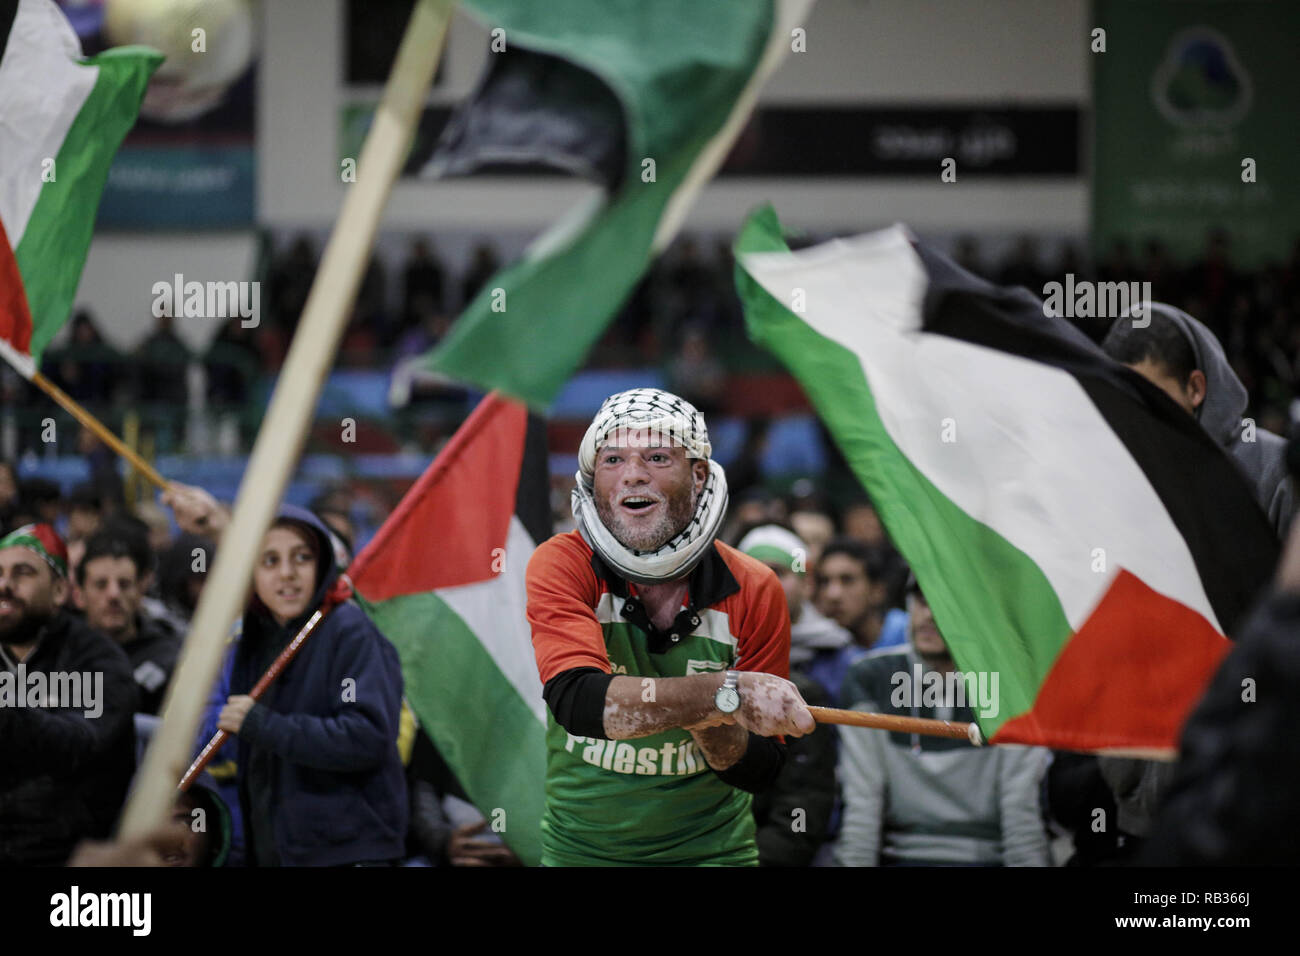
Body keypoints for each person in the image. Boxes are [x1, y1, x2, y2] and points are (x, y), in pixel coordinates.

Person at [526, 388, 814, 866]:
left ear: (698, 475)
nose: (634, 473)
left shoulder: (757, 587)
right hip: (582, 855)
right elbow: (578, 703)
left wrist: (710, 714)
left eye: (658, 456)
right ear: (593, 479)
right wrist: (722, 694)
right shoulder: (562, 562)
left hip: (714, 856)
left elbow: (759, 771)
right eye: (613, 458)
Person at [212, 505, 408, 866]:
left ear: (321, 565)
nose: (286, 574)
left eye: (301, 558)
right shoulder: (255, 636)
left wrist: (262, 725)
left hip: (348, 853)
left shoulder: (349, 629)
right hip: (277, 851)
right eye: (269, 561)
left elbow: (367, 736)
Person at [834, 577, 1051, 866]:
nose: (930, 614)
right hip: (898, 858)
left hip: (987, 858)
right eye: (922, 600)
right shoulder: (869, 677)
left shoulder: (1015, 685)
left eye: (948, 597)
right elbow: (862, 807)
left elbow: (1021, 816)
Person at [0, 524, 137, 865]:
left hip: (71, 858)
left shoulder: (99, 659)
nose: (4, 585)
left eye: (23, 573)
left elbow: (80, 744)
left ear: (60, 590)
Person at [1101, 302, 1293, 535]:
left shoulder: (1278, 472)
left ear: (1195, 388)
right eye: (1123, 401)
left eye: (1152, 400)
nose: (1137, 418)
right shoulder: (1114, 476)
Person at [736, 525, 837, 866]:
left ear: (807, 585)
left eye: (777, 572)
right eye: (751, 571)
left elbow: (802, 810)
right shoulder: (701, 664)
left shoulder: (838, 661)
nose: (763, 582)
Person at [76, 528, 183, 715]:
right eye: (101, 584)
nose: (114, 594)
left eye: (124, 584)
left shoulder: (171, 657)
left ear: (140, 591)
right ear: (79, 595)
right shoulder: (59, 652)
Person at [813, 537, 907, 701]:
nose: (832, 594)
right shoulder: (818, 654)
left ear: (877, 591)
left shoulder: (911, 635)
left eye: (847, 580)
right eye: (824, 582)